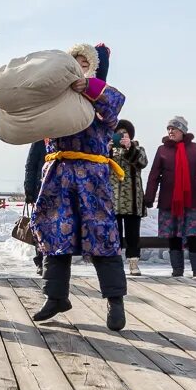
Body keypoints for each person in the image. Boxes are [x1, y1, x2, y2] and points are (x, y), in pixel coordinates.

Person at [31, 65, 128, 330]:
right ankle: (56, 297)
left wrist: (91, 88)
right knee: (55, 234)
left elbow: (115, 105)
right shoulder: (54, 101)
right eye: (74, 62)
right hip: (58, 176)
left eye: (84, 63)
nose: (78, 69)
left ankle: (115, 301)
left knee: (102, 235)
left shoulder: (100, 99)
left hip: (92, 178)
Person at [145, 117, 196, 277]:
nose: (170, 131)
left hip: (191, 200)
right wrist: (149, 196)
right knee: (173, 236)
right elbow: (154, 175)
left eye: (174, 128)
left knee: (193, 235)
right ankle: (177, 269)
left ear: (183, 131)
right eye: (168, 129)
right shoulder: (162, 150)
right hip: (169, 201)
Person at [111, 119, 148, 276]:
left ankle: (133, 263)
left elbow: (142, 163)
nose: (121, 136)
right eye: (118, 133)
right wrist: (106, 149)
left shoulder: (138, 148)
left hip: (132, 200)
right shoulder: (109, 150)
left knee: (133, 234)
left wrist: (129, 148)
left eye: (124, 134)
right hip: (113, 200)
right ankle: (115, 264)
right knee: (115, 234)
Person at [24, 140, 46, 275]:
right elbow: (31, 166)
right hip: (41, 190)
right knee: (40, 227)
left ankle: (54, 262)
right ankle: (40, 261)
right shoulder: (39, 141)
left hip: (61, 190)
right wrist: (29, 191)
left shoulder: (64, 138)